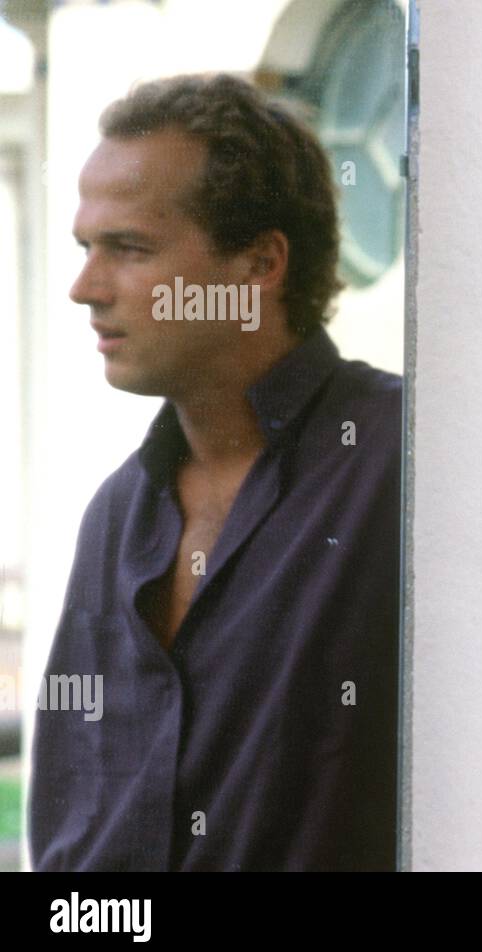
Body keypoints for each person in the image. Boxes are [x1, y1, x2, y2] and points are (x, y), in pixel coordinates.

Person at [29, 74, 400, 870]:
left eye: (128, 249)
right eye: (86, 248)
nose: (85, 288)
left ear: (259, 264)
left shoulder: (402, 466)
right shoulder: (120, 512)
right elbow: (72, 827)